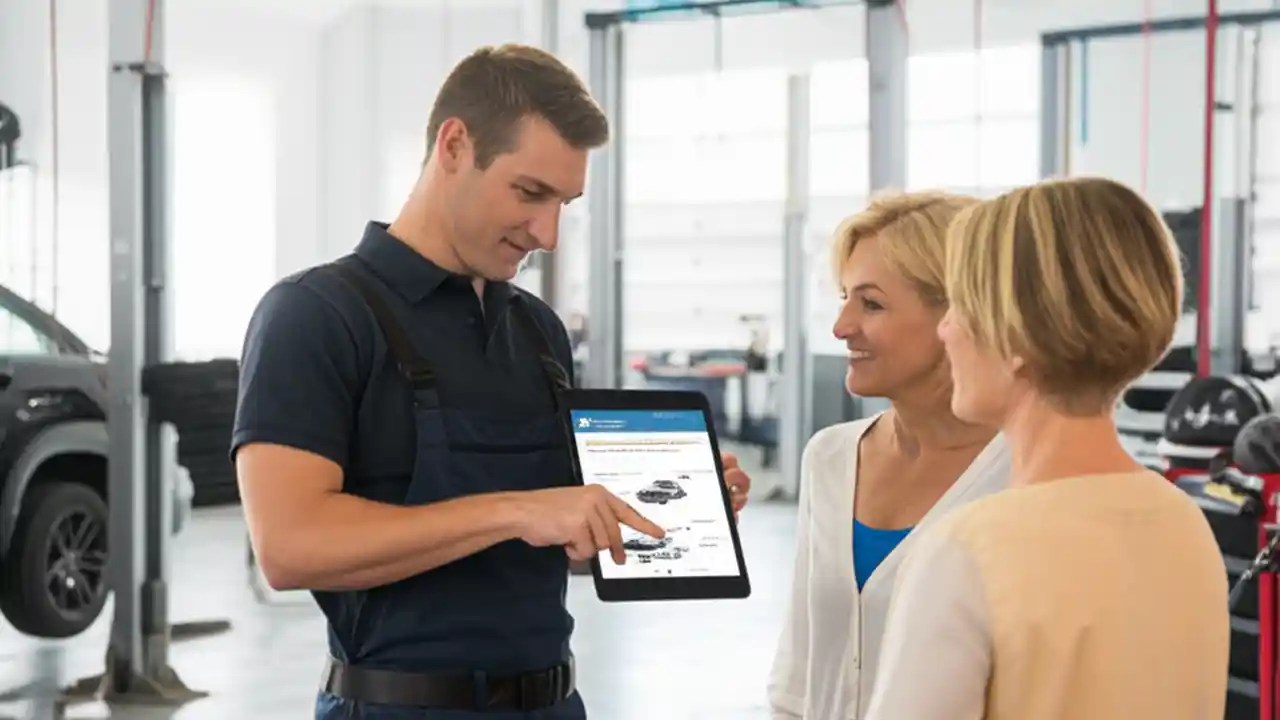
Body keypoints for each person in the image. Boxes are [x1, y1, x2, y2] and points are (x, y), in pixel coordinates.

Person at [230, 44, 752, 720]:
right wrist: (517, 509)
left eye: (564, 202)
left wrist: (663, 511)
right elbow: (290, 547)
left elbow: (542, 548)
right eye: (530, 193)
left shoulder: (538, 331)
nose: (548, 233)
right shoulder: (316, 314)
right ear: (454, 145)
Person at [863, 177, 1230, 719]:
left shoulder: (968, 549)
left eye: (961, 304)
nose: (946, 330)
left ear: (1014, 340)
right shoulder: (1185, 522)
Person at [768, 191, 1011, 720]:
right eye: (844, 299)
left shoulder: (1021, 477)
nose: (841, 327)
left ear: (958, 313)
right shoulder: (830, 457)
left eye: (871, 303)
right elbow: (798, 675)